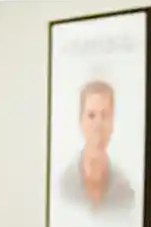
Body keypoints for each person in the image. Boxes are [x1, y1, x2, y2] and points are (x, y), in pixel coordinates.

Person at [58, 79, 135, 213]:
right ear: (80, 121)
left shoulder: (125, 190)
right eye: (91, 115)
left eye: (104, 116)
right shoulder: (63, 185)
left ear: (112, 124)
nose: (98, 125)